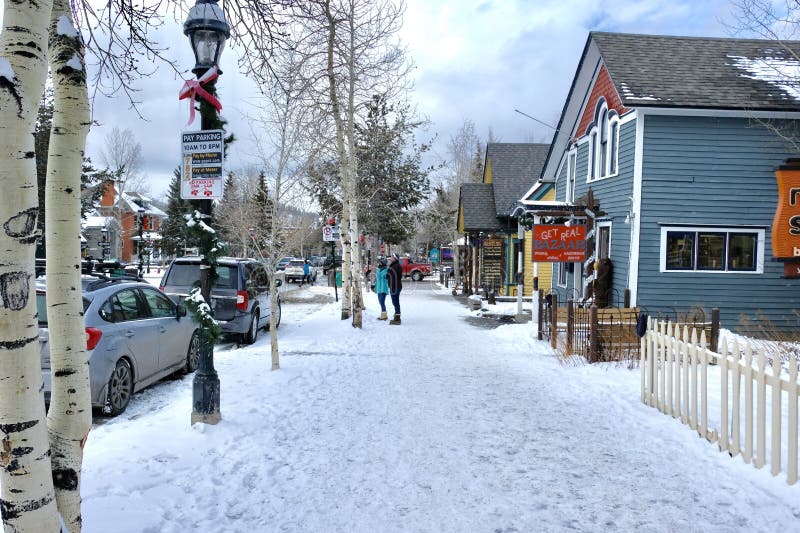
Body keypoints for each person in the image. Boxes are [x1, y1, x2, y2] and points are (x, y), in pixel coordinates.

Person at [387, 253, 403, 325]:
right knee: (396, 302)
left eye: (392, 257)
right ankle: (397, 316)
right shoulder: (395, 265)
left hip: (395, 287)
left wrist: (387, 276)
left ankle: (397, 318)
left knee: (395, 302)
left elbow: (392, 276)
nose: (390, 258)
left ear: (395, 258)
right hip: (395, 286)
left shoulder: (395, 266)